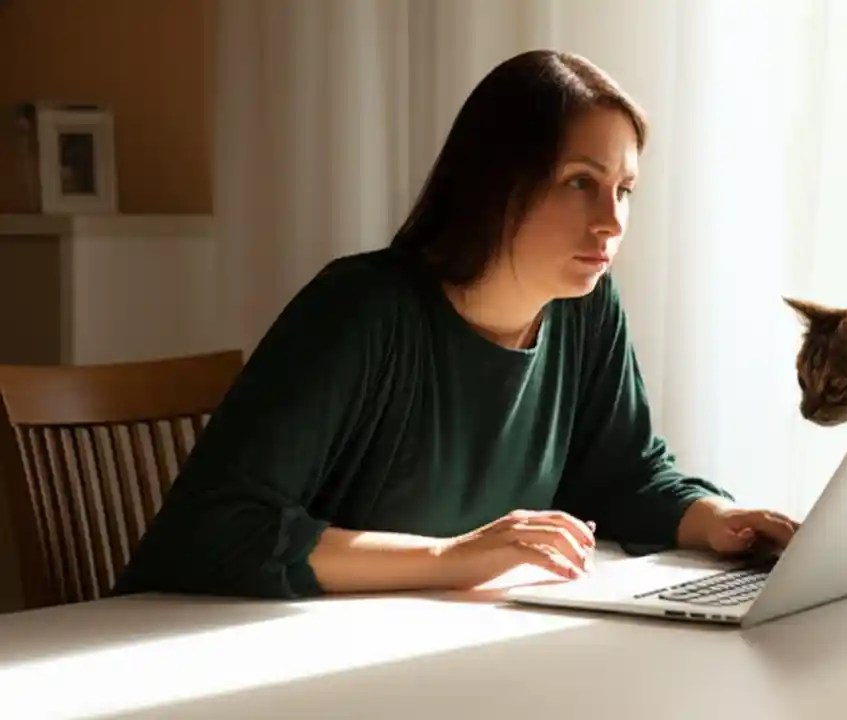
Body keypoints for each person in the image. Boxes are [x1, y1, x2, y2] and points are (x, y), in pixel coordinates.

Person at [113, 49, 800, 600]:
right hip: (239, 660)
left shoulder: (587, 309)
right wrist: (450, 557)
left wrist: (718, 521)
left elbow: (623, 477)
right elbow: (215, 532)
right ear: (498, 181)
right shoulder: (360, 311)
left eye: (624, 190)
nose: (612, 221)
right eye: (579, 182)